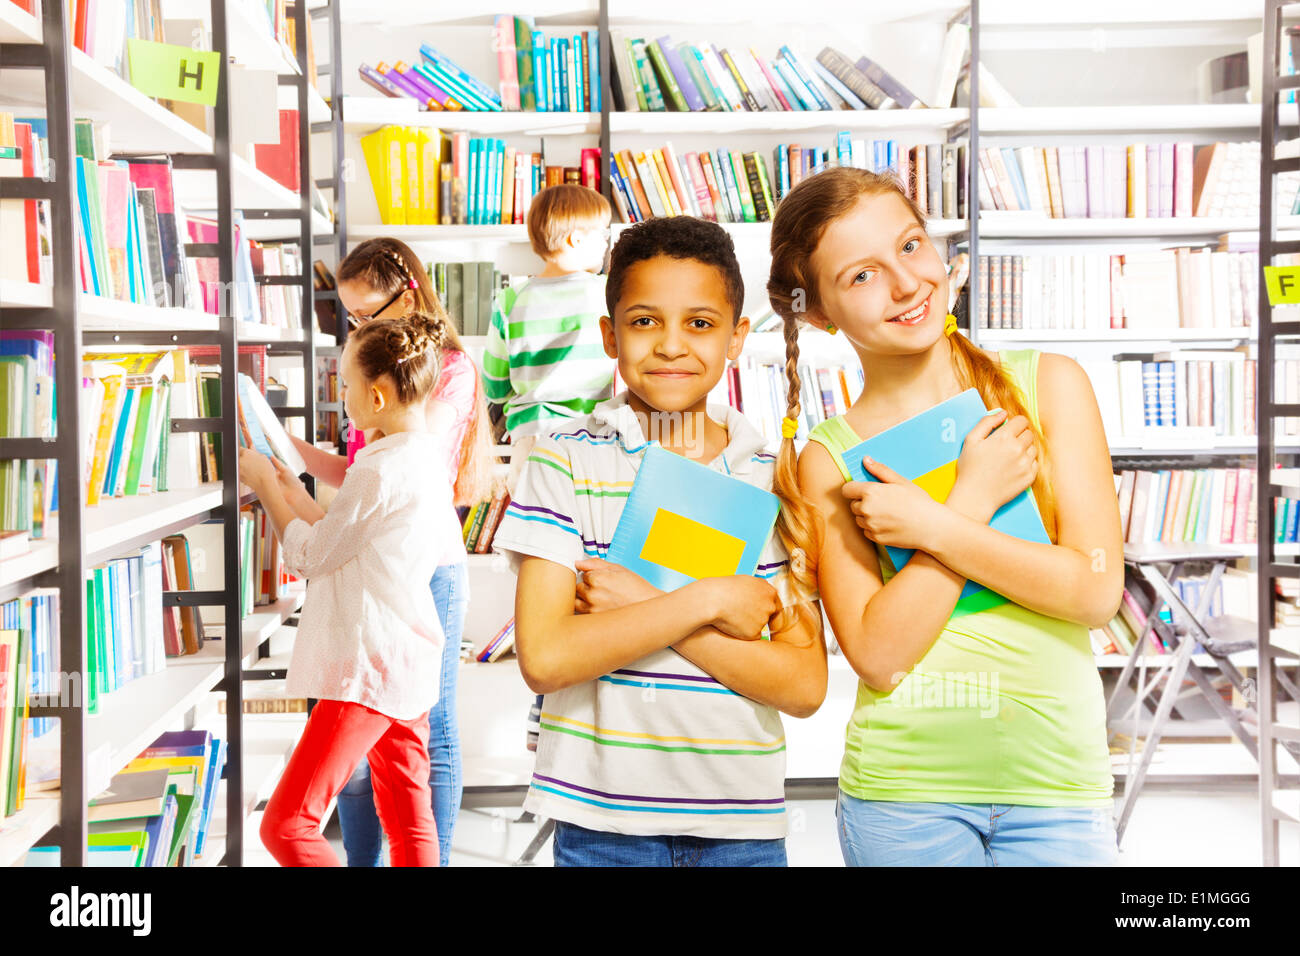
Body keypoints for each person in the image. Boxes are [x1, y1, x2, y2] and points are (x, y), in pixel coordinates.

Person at [768, 167, 1122, 866]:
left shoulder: (1048, 387)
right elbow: (877, 653)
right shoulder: (831, 460)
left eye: (910, 246)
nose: (906, 284)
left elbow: (1093, 592)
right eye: (862, 276)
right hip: (905, 797)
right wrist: (970, 500)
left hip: (1059, 786)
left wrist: (936, 527)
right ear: (818, 313)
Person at [490, 216, 826, 867]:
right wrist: (709, 603)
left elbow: (803, 683)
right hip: (601, 827)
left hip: (743, 829)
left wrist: (648, 604)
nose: (671, 345)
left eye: (699, 323)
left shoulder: (776, 477)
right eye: (645, 321)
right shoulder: (563, 463)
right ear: (609, 337)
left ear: (736, 338)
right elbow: (549, 658)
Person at [290, 237, 496, 867]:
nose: (357, 328)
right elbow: (359, 469)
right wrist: (287, 454)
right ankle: (362, 860)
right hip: (371, 558)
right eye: (349, 318)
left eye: (366, 315)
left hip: (425, 565)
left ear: (405, 296)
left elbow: (404, 471)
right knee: (356, 733)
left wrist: (292, 504)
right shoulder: (372, 369)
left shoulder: (448, 372)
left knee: (426, 729)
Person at [245, 312, 462, 867]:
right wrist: (292, 490)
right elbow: (345, 540)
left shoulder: (378, 468)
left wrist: (267, 487)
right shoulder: (421, 458)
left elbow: (315, 557)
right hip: (408, 665)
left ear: (379, 395)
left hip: (366, 672)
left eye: (345, 385)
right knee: (411, 824)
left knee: (286, 825)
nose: (342, 398)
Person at [481, 183, 616, 484]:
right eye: (603, 234)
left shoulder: (509, 300)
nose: (607, 242)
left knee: (535, 529)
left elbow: (494, 388)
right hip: (595, 439)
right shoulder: (609, 294)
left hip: (532, 443)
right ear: (576, 238)